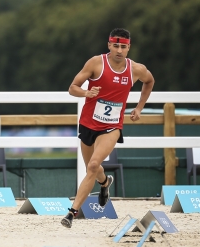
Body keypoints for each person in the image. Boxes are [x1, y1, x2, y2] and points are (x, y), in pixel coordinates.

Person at [61, 28, 155, 228]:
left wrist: (139, 108)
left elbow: (150, 81)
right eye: (116, 46)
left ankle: (72, 213)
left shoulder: (136, 69)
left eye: (123, 47)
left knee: (94, 165)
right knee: (92, 168)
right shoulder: (95, 63)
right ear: (109, 45)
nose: (119, 50)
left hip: (112, 126)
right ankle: (105, 183)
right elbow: (72, 88)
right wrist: (86, 93)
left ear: (129, 48)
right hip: (88, 124)